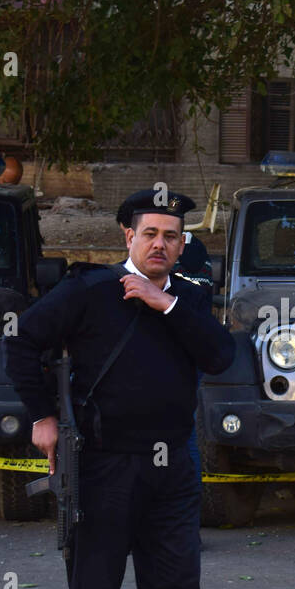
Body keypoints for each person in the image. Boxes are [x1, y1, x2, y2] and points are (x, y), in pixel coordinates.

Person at [5, 190, 235, 589]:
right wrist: (42, 416)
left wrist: (164, 303)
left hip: (172, 467)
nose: (159, 245)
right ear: (129, 237)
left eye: (171, 237)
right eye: (149, 233)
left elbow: (221, 356)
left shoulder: (189, 298)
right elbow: (20, 339)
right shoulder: (90, 289)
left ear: (182, 246)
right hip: (102, 466)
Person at [115, 189, 214, 479]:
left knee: (183, 432)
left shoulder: (180, 253)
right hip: (176, 351)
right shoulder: (184, 247)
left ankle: (184, 494)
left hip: (181, 352)